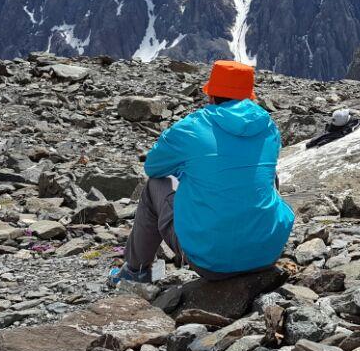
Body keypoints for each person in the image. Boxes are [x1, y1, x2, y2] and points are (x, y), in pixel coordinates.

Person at [110, 60, 294, 285]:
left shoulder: (192, 127)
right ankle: (254, 243)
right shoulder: (268, 127)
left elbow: (153, 167)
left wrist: (187, 170)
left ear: (211, 95)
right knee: (268, 176)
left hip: (211, 262)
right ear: (248, 97)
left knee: (155, 185)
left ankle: (135, 272)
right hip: (267, 254)